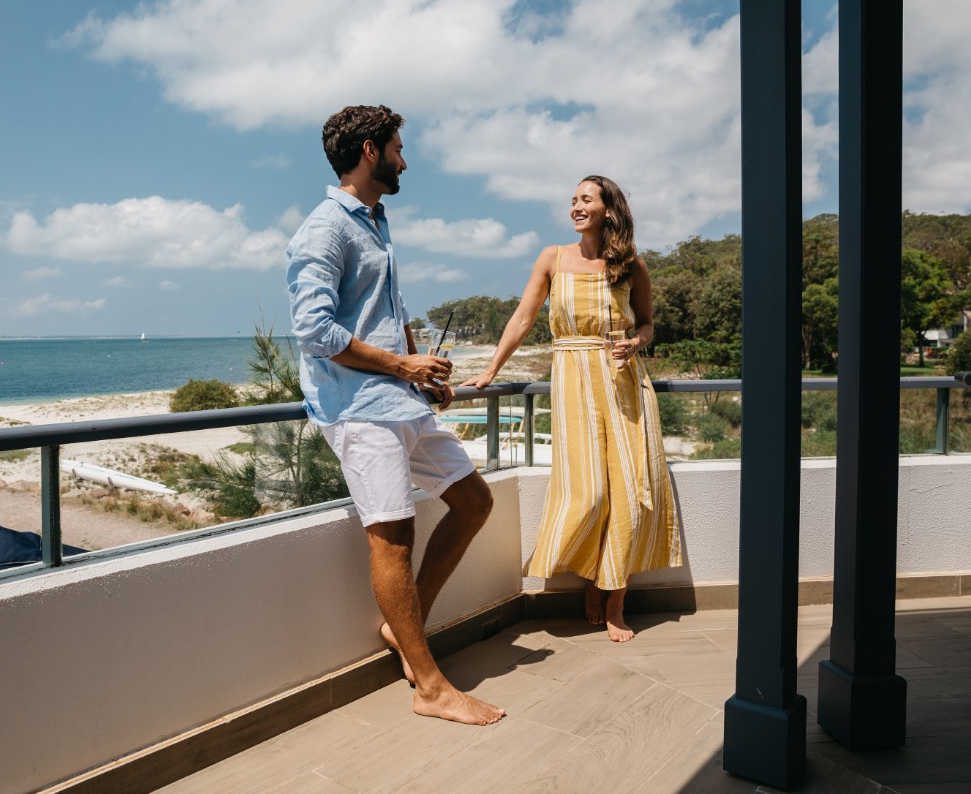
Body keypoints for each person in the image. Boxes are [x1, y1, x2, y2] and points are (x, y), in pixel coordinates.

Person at [286, 105, 505, 725]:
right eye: (398, 149)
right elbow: (313, 331)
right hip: (358, 409)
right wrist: (400, 366)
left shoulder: (375, 222)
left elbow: (385, 312)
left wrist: (419, 372)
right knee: (394, 540)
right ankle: (430, 687)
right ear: (368, 151)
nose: (405, 160)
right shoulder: (323, 229)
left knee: (474, 502)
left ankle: (402, 630)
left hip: (398, 398)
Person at [461, 175, 681, 642]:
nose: (576, 206)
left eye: (586, 200)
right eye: (573, 200)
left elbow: (647, 327)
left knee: (630, 490)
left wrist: (633, 344)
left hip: (623, 383)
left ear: (608, 209)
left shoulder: (630, 265)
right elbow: (523, 317)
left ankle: (614, 596)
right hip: (572, 381)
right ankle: (590, 578)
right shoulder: (552, 258)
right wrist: (490, 372)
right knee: (589, 493)